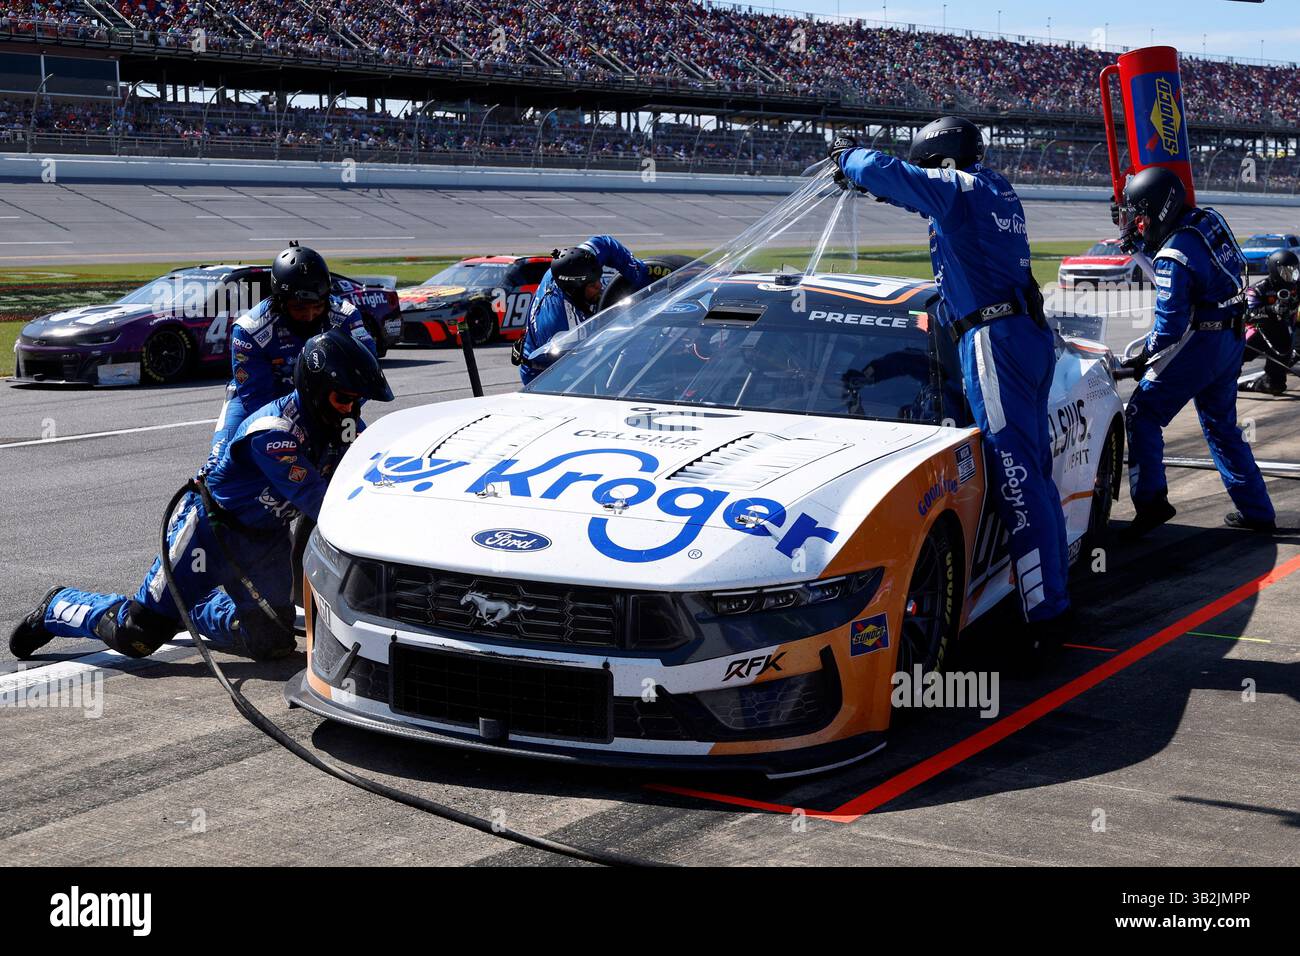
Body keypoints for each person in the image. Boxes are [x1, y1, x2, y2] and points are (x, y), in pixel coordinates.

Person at [9, 330, 393, 662]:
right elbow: (322, 503)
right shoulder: (274, 433)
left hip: (265, 542)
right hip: (209, 532)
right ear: (316, 390)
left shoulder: (342, 423)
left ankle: (195, 608)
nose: (353, 409)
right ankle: (57, 606)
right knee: (138, 635)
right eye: (345, 398)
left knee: (273, 643)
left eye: (358, 400)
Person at [829, 116, 1071, 633]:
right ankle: (1053, 594)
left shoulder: (957, 189)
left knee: (1015, 478)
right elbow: (916, 194)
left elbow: (885, 171)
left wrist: (848, 158)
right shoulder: (995, 188)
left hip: (993, 340)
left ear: (942, 162)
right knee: (1037, 476)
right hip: (1025, 334)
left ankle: (1042, 619)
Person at [1117, 166, 1275, 537]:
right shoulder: (1210, 220)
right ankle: (1258, 510)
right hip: (1232, 338)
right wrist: (1137, 242)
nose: (1138, 224)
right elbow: (1199, 256)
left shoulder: (1172, 256)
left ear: (1159, 208)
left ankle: (1152, 501)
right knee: (1222, 427)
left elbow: (1169, 326)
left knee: (1142, 412)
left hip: (1202, 343)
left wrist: (1144, 358)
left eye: (1141, 215)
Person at [205, 242, 376, 470]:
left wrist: (340, 407)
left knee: (364, 457)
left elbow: (366, 375)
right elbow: (257, 400)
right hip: (259, 400)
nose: (309, 314)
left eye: (317, 306)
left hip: (328, 401)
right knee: (219, 464)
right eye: (299, 308)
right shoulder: (250, 330)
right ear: (280, 302)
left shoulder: (345, 317)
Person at [515, 236, 651, 384]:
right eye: (592, 285)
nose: (600, 286)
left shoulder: (569, 267)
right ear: (576, 289)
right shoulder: (562, 326)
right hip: (544, 374)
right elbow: (594, 363)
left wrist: (639, 275)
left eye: (598, 279)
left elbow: (605, 243)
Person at [1238, 249, 1299, 396]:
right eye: (1286, 271)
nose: (1290, 275)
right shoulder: (1258, 289)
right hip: (1257, 332)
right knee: (1233, 360)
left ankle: (1264, 381)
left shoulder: (1296, 287)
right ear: (1275, 270)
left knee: (1276, 387)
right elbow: (1247, 314)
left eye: (1294, 270)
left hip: (1283, 336)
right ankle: (1224, 377)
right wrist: (1271, 309)